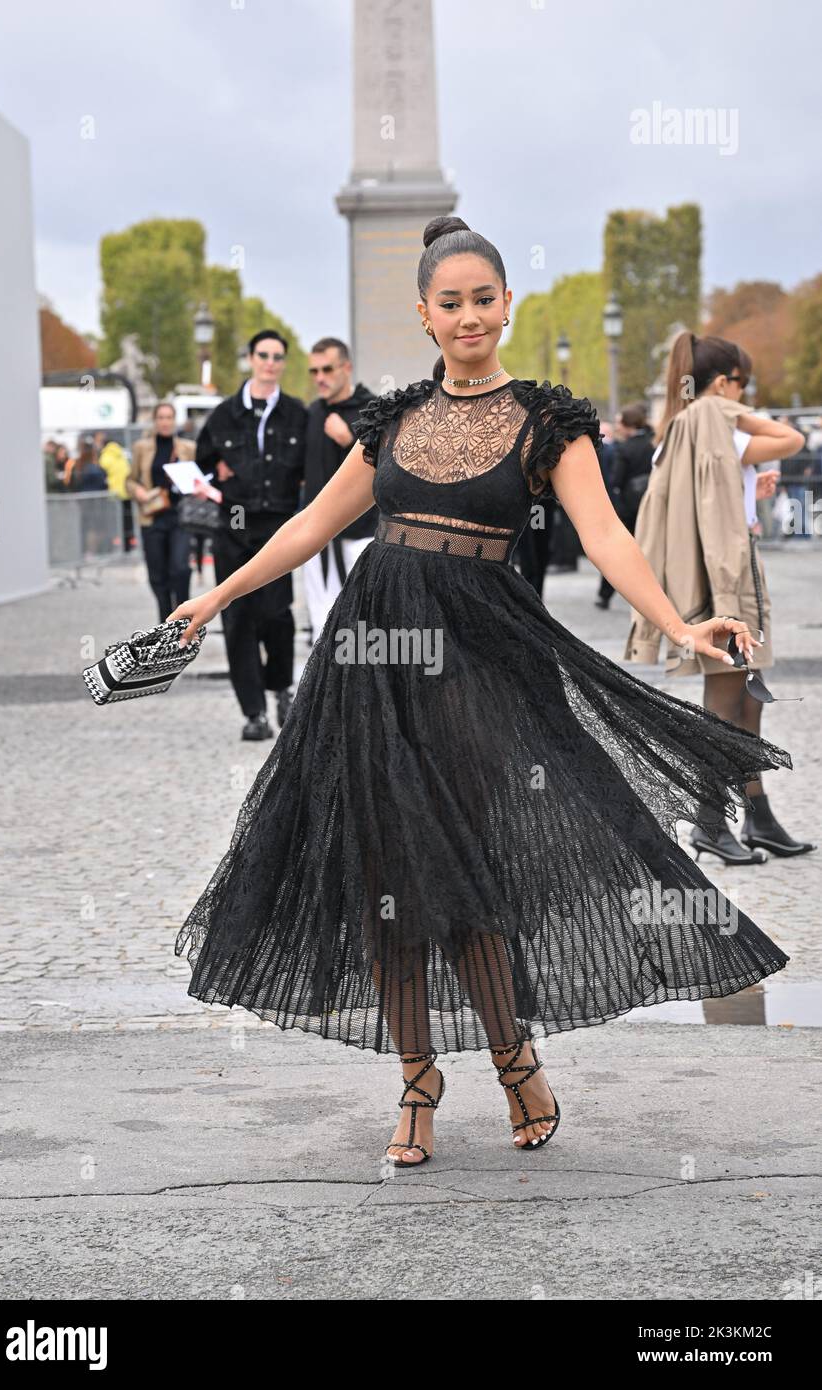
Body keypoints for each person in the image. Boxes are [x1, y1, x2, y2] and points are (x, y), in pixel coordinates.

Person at [168, 217, 792, 1169]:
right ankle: (417, 1075)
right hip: (371, 659)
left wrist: (677, 626)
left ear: (509, 305)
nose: (469, 316)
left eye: (483, 300)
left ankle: (512, 1058)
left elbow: (609, 538)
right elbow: (308, 528)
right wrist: (213, 596)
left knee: (458, 868)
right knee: (385, 871)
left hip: (481, 662)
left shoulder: (551, 421)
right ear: (424, 314)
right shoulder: (394, 422)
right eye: (449, 303)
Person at [626, 330, 813, 864]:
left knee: (749, 692)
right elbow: (792, 438)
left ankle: (759, 818)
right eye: (741, 384)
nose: (744, 396)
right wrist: (726, 409)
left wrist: (748, 490)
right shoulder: (713, 425)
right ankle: (711, 820)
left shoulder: (680, 433)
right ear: (725, 382)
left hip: (715, 572)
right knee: (728, 703)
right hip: (726, 579)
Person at [193, 330, 307, 739]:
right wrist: (213, 477)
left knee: (276, 614)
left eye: (278, 356)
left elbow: (312, 472)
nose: (270, 362)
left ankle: (280, 687)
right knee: (238, 617)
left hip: (278, 527)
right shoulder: (224, 415)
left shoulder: (297, 414)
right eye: (264, 355)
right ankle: (253, 712)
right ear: (250, 358)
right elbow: (201, 464)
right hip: (234, 525)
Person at [301, 338, 375, 641]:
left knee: (366, 624)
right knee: (322, 625)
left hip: (362, 535)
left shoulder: (373, 410)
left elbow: (388, 467)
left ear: (347, 368)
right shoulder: (313, 413)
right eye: (314, 371)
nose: (320, 377)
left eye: (327, 369)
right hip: (316, 539)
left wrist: (349, 441)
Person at [125, 402, 197, 621]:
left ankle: (183, 616)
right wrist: (138, 491)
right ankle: (165, 620)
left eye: (169, 417)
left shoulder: (188, 448)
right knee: (157, 574)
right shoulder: (141, 448)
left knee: (180, 568)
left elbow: (198, 479)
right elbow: (130, 480)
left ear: (175, 420)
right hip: (152, 517)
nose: (165, 422)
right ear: (155, 421)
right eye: (161, 417)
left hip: (180, 516)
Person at [595, 403, 654, 609]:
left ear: (627, 424)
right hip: (651, 505)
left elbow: (615, 479)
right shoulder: (653, 444)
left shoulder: (624, 449)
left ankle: (605, 594)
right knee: (650, 550)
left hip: (628, 506)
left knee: (618, 552)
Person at [95, 431, 134, 551]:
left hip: (114, 493)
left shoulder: (105, 456)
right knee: (127, 520)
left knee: (114, 522)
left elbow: (101, 473)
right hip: (126, 491)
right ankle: (127, 545)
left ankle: (117, 547)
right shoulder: (121, 453)